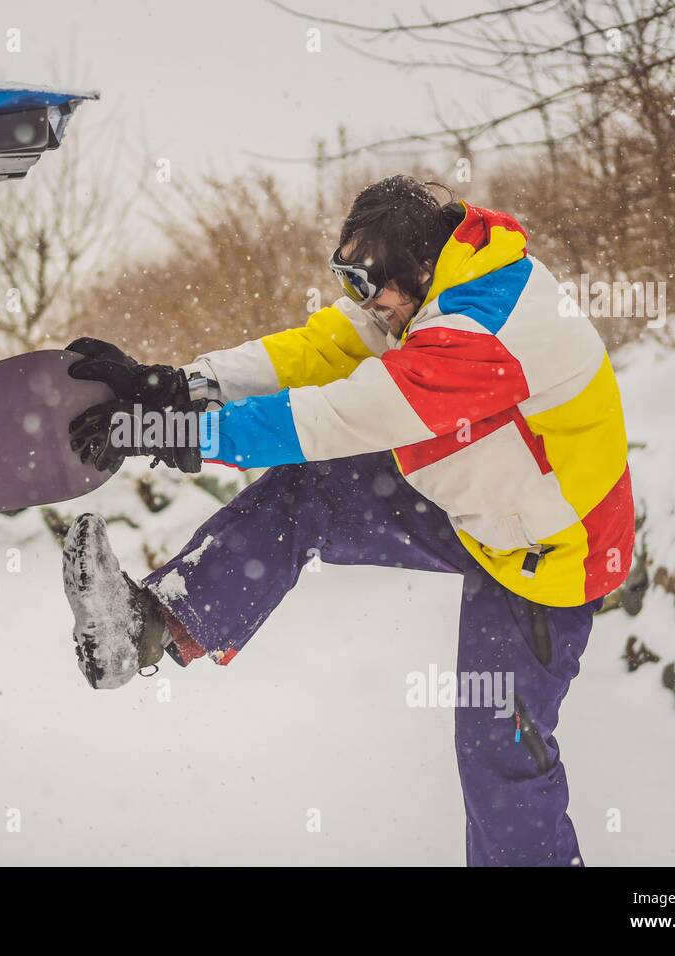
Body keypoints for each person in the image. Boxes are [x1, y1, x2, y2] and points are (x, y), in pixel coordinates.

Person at [62, 175, 634, 866]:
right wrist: (184, 384)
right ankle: (150, 625)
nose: (369, 307)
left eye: (374, 290)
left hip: (553, 555)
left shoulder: (484, 330)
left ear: (419, 269)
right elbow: (321, 349)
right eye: (354, 284)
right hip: (485, 517)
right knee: (316, 487)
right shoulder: (435, 286)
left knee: (499, 757)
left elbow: (334, 416)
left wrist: (174, 429)